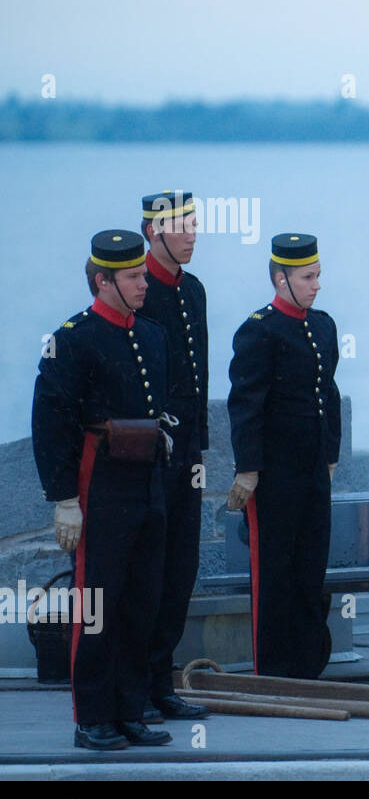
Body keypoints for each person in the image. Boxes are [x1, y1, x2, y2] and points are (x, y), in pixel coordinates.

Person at [32, 230, 174, 750]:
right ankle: (93, 716)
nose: (144, 284)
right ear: (102, 280)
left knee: (142, 600)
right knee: (99, 601)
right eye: (134, 277)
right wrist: (65, 499)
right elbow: (51, 421)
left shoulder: (153, 335)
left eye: (142, 275)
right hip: (101, 484)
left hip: (146, 481)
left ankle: (130, 710)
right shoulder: (71, 338)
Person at [226, 233, 342, 679]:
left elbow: (327, 393)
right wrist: (247, 470)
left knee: (310, 568)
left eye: (318, 275)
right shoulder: (259, 330)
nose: (317, 285)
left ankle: (307, 669)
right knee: (274, 573)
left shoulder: (324, 325)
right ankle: (273, 672)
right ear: (281, 279)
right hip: (274, 473)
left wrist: (330, 454)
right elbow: (246, 404)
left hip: (313, 468)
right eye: (308, 277)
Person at [136, 191, 210, 722]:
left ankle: (161, 679)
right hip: (149, 455)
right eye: (180, 225)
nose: (191, 234)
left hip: (188, 454)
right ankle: (135, 684)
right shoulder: (139, 291)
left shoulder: (194, 291)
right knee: (147, 571)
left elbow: (198, 378)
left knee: (181, 567)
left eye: (193, 224)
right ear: (152, 232)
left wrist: (199, 447)